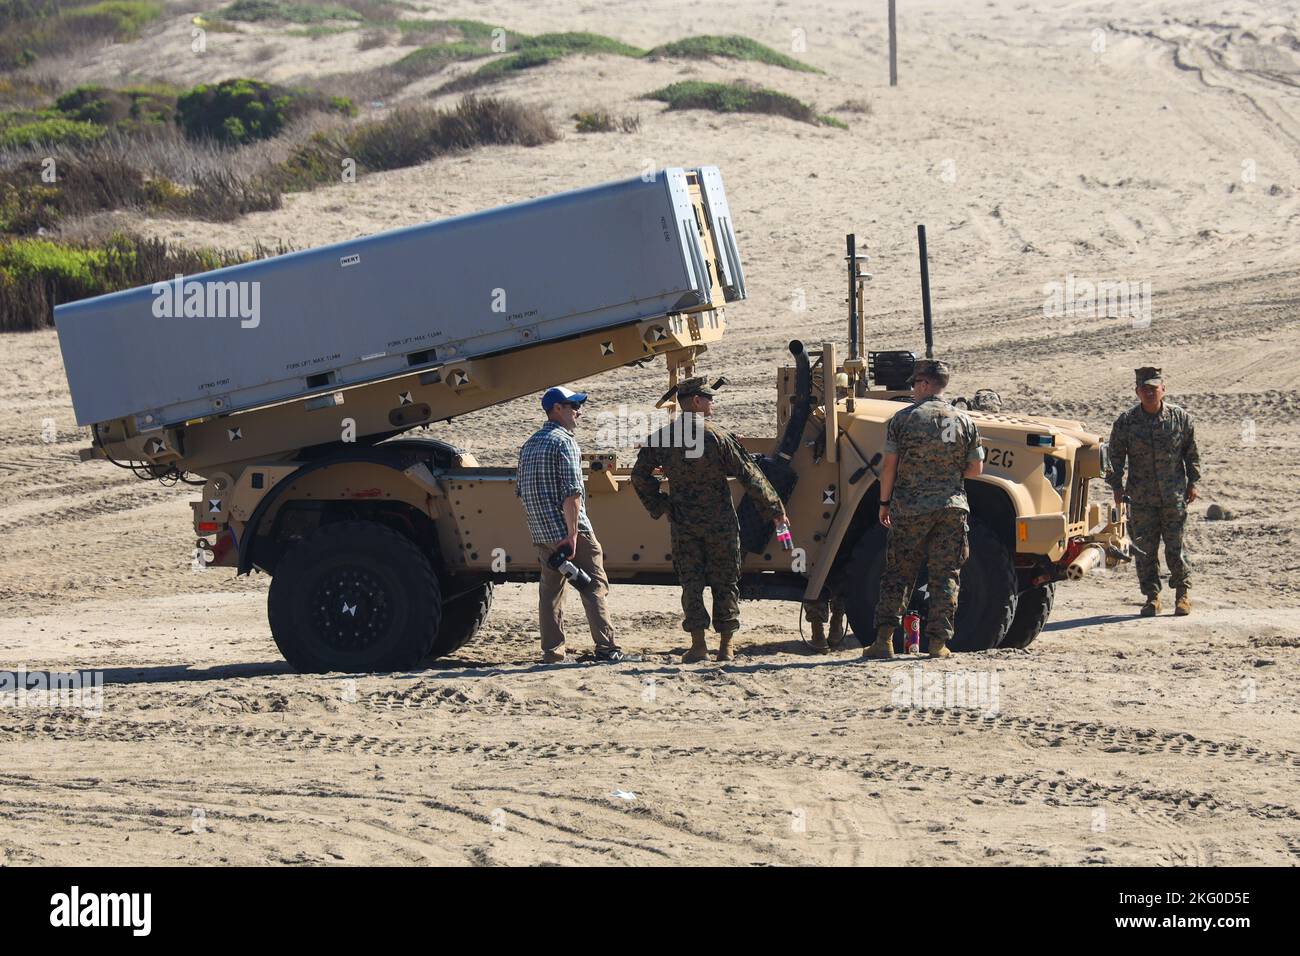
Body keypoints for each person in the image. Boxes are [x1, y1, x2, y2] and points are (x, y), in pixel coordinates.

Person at [631, 376, 787, 663]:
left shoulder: (663, 437)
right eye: (708, 398)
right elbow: (749, 475)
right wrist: (774, 509)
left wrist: (661, 505)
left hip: (683, 522)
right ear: (696, 402)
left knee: (691, 582)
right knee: (725, 581)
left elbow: (639, 477)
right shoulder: (717, 435)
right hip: (720, 522)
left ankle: (698, 645)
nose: (712, 402)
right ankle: (726, 646)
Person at [863, 359, 984, 661]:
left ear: (927, 384)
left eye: (916, 383)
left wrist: (883, 503)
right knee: (946, 576)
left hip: (909, 509)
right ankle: (938, 644)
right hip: (951, 508)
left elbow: (889, 467)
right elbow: (976, 469)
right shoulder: (965, 420)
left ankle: (883, 641)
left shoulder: (904, 419)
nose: (913, 389)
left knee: (898, 574)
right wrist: (946, 475)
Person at [516, 385, 624, 663]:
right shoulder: (564, 443)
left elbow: (521, 492)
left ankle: (552, 652)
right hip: (569, 533)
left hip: (542, 534)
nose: (579, 411)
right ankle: (607, 649)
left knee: (550, 593)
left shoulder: (529, 444)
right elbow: (573, 493)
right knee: (595, 587)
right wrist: (573, 535)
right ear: (557, 409)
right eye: (573, 406)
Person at [1105, 367, 1200, 617]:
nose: (1149, 393)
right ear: (1137, 392)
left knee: (1175, 548)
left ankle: (1182, 594)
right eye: (1144, 389)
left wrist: (1194, 482)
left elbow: (1191, 454)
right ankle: (1152, 597)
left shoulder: (1180, 419)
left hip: (1173, 497)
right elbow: (1114, 458)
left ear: (1163, 389)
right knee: (1144, 550)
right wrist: (1117, 487)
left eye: (1153, 388)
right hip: (1141, 499)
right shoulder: (1126, 422)